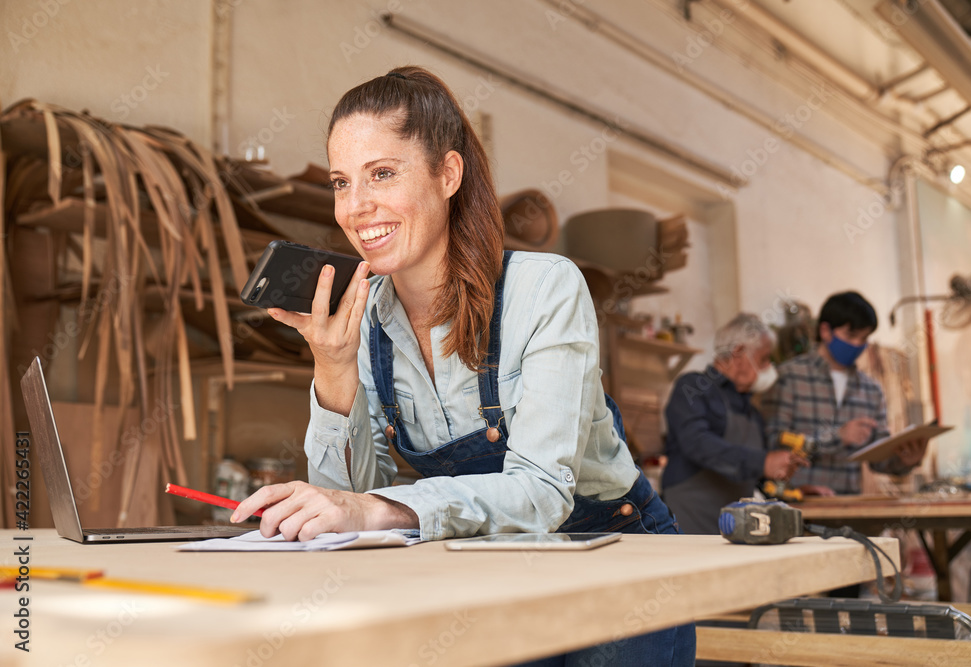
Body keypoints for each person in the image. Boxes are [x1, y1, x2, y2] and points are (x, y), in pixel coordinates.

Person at [232, 66, 696, 665]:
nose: (356, 207)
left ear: (447, 174)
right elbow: (351, 506)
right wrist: (334, 366)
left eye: (382, 174)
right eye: (341, 183)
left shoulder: (545, 289)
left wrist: (384, 507)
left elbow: (541, 495)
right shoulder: (369, 318)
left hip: (613, 567)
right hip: (486, 573)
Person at [765, 291, 927, 497]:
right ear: (825, 330)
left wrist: (905, 460)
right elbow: (772, 444)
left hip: (849, 510)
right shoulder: (788, 378)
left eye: (864, 338)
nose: (857, 345)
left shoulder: (871, 390)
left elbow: (880, 461)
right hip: (796, 507)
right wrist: (837, 437)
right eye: (851, 336)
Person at [661, 313, 807, 534]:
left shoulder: (753, 412)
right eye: (764, 359)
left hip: (734, 528)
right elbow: (698, 444)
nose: (769, 367)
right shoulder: (692, 388)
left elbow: (754, 475)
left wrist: (788, 485)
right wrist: (763, 462)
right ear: (738, 353)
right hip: (690, 522)